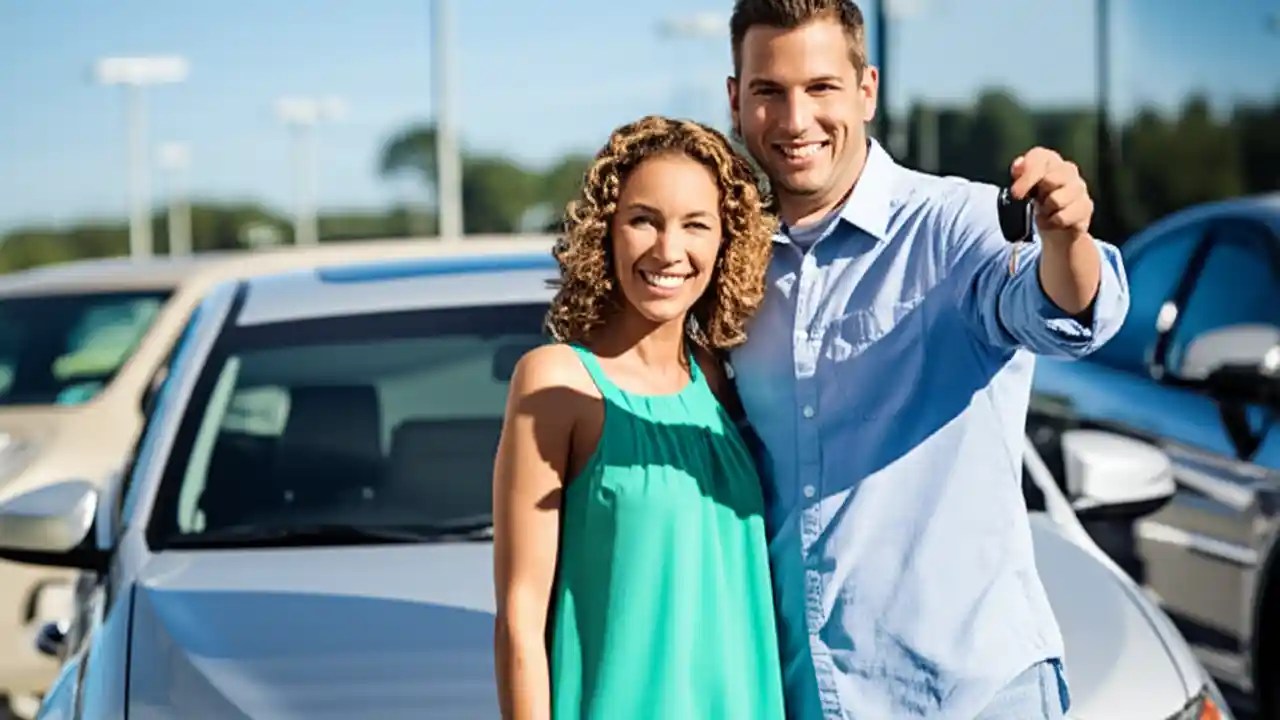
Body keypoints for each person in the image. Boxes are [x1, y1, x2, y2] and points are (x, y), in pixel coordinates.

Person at [722, 1, 1131, 718]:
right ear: (736, 98)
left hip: (974, 697)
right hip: (809, 697)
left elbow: (1064, 313)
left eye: (821, 87)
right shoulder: (733, 271)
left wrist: (1067, 236)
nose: (794, 120)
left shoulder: (953, 225)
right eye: (769, 91)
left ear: (867, 90)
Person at [491, 115, 786, 720]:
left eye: (695, 225)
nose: (667, 250)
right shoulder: (557, 381)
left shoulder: (718, 380)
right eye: (643, 220)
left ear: (725, 241)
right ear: (606, 231)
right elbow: (520, 618)